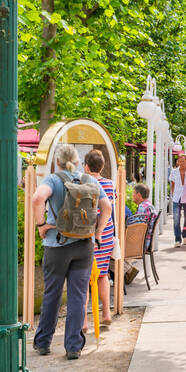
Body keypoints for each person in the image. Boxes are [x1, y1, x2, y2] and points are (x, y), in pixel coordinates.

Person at [31, 143, 110, 360]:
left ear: (57, 161)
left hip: (57, 245)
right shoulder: (90, 180)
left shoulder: (54, 180)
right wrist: (99, 232)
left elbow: (38, 198)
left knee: (53, 294)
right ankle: (73, 346)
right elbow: (107, 207)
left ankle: (43, 342)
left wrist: (40, 225)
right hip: (84, 245)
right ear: (77, 161)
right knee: (78, 295)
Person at [83, 149, 116, 331]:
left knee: (84, 277)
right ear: (102, 167)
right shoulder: (109, 184)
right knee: (102, 274)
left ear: (86, 166)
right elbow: (112, 205)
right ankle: (106, 313)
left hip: (88, 232)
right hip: (106, 232)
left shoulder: (84, 182)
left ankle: (84, 321)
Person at [168, 153, 186, 247]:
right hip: (176, 198)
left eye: (183, 161)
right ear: (177, 162)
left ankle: (185, 236)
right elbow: (172, 185)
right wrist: (173, 195)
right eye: (180, 161)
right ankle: (177, 239)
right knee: (176, 219)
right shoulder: (174, 172)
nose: (182, 163)